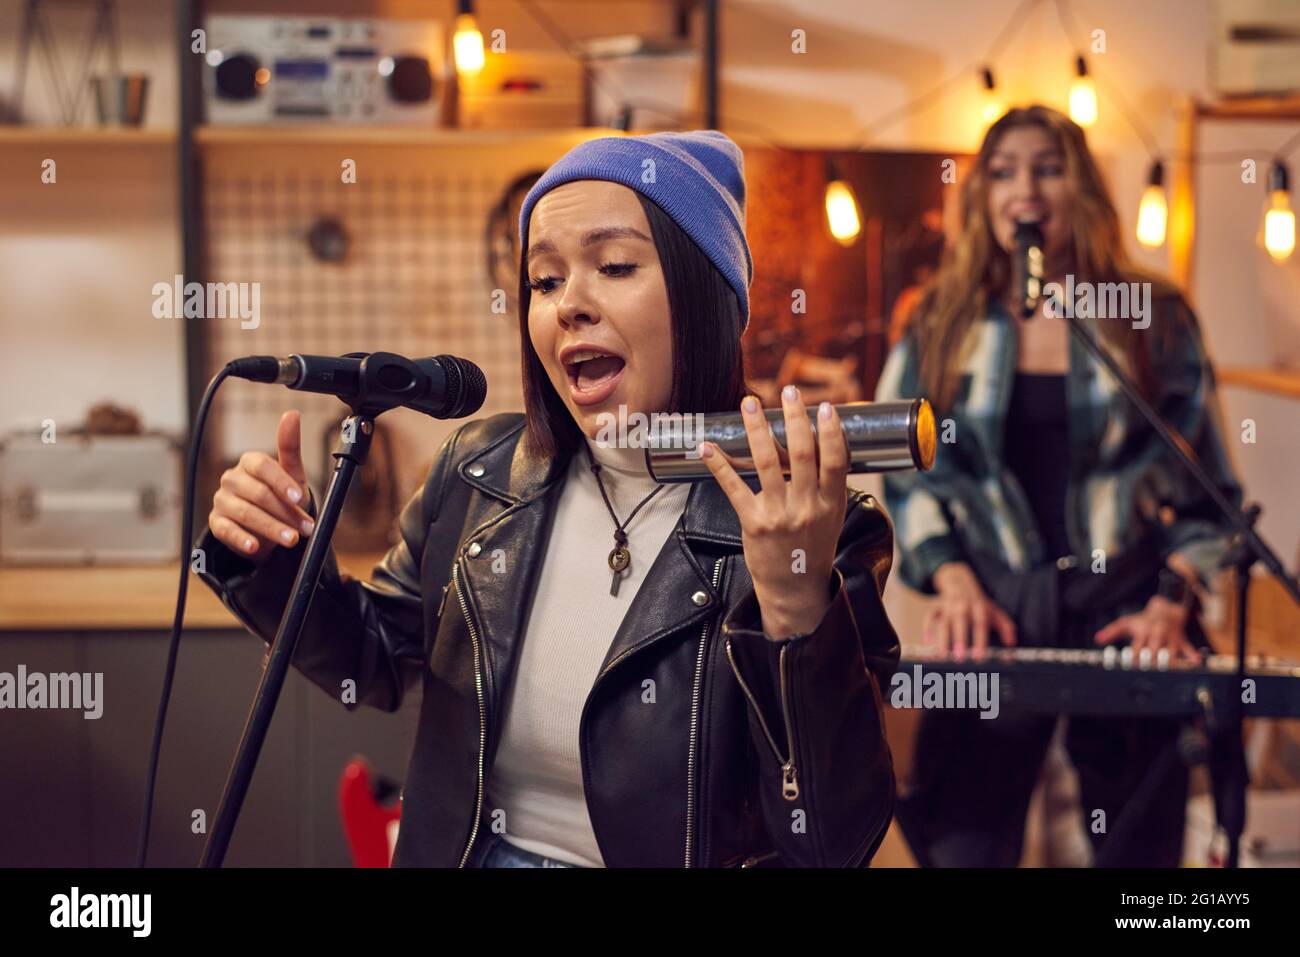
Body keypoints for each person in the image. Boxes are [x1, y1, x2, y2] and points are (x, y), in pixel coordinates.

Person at [196, 130, 901, 868]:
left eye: (616, 265)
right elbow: (371, 657)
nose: (569, 305)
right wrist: (276, 560)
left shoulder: (827, 527)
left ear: (705, 295)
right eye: (544, 280)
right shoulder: (479, 470)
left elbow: (830, 841)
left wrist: (795, 612)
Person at [874, 105, 1243, 867]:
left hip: (1125, 614)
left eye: (1047, 167)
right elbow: (908, 478)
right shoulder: (940, 318)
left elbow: (1208, 487)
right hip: (993, 615)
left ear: (1082, 187)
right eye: (1003, 171)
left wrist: (1172, 603)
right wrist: (952, 579)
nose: (1025, 189)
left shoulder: (1153, 315)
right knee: (960, 845)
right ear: (981, 198)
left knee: (1140, 862)